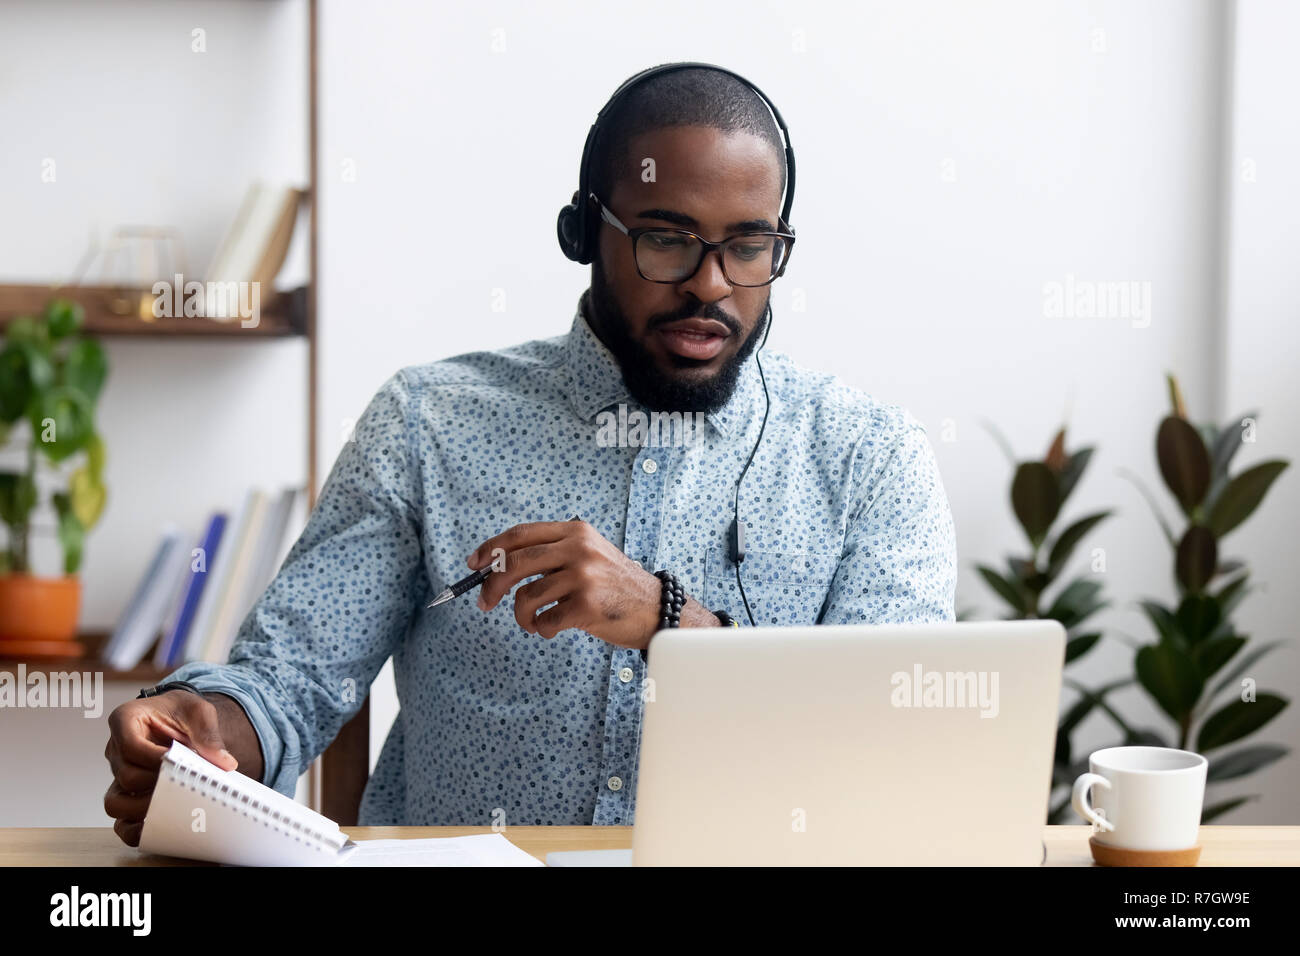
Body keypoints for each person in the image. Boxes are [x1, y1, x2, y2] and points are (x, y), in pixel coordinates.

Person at [104, 63, 957, 844]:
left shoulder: (870, 457)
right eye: (667, 239)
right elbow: (291, 678)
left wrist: (671, 621)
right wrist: (209, 727)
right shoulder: (427, 422)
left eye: (748, 246)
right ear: (585, 232)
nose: (711, 283)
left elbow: (893, 748)